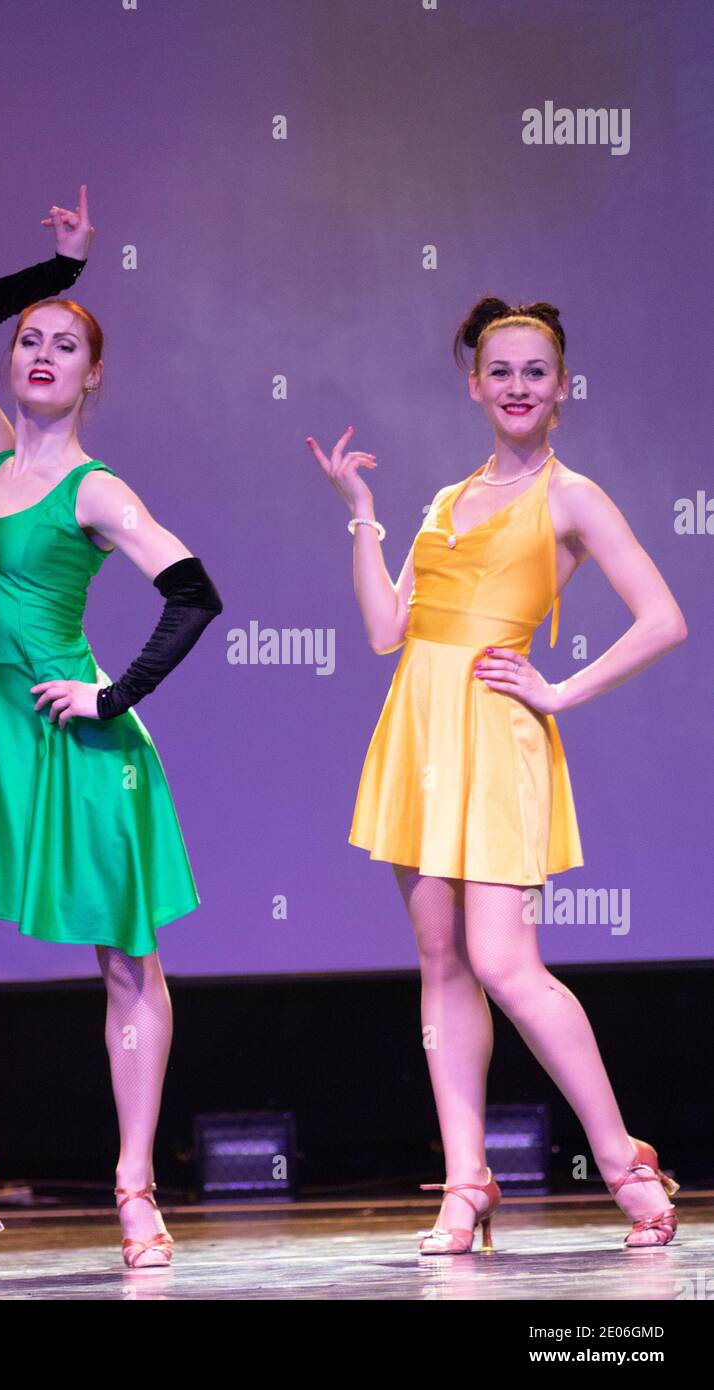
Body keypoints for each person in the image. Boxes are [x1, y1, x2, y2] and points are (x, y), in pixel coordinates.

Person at [0, 184, 223, 1275]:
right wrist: (59, 273)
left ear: (91, 375)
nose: (38, 351)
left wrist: (111, 696)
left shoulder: (94, 489)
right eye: (28, 338)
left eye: (63, 343)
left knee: (127, 969)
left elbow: (194, 592)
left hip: (74, 755)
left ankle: (133, 1185)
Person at [307, 297, 687, 1254]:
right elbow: (387, 633)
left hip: (497, 735)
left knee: (507, 965)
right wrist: (362, 519)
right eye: (500, 371)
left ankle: (621, 1161)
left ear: (561, 390)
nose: (517, 387)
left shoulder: (574, 496)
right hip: (420, 735)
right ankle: (466, 1183)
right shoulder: (442, 500)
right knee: (440, 962)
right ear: (475, 385)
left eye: (535, 372)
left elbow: (664, 618)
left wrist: (559, 691)